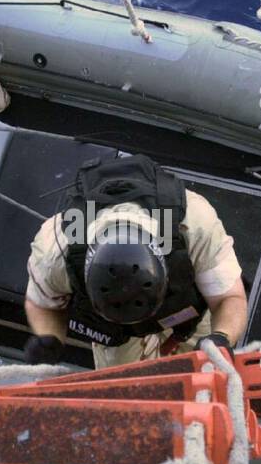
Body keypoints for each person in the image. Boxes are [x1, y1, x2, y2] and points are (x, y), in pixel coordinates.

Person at [22, 155, 247, 369]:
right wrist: (49, 338)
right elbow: (40, 303)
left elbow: (229, 298)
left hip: (185, 305)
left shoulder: (195, 224)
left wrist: (220, 339)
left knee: (206, 361)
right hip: (115, 330)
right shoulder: (55, 253)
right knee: (124, 389)